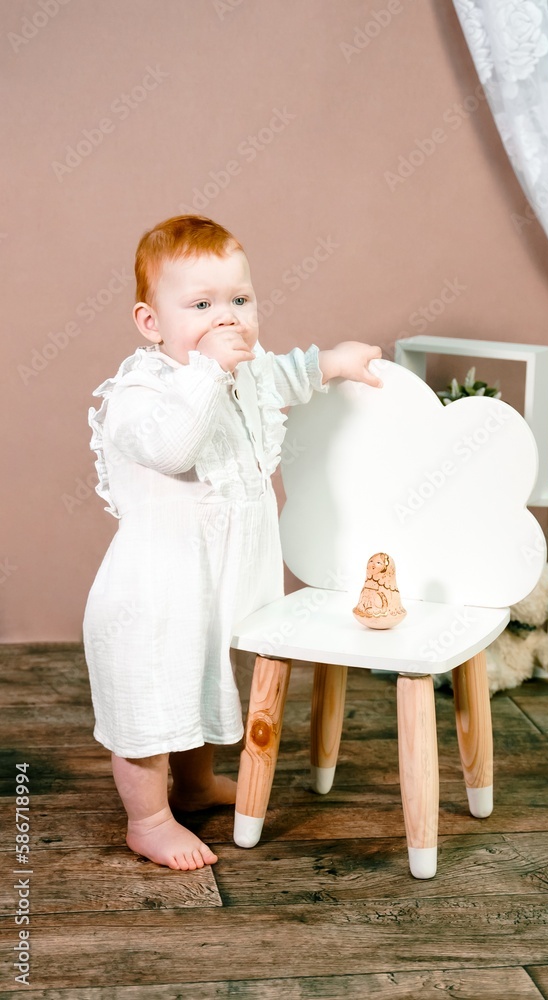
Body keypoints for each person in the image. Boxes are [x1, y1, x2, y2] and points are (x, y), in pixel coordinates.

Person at [83, 214, 381, 870]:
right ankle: (149, 818)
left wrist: (336, 363)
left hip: (213, 587)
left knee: (202, 681)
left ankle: (191, 786)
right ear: (150, 323)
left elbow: (287, 375)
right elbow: (172, 448)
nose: (227, 319)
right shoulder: (145, 392)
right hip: (153, 591)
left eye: (239, 301)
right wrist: (206, 375)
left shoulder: (243, 372)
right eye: (201, 305)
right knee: (151, 701)